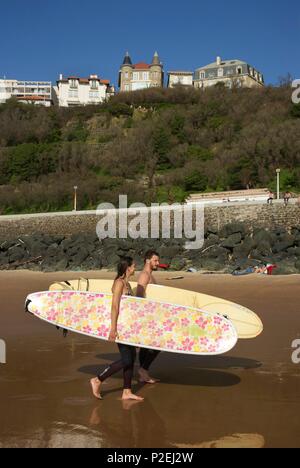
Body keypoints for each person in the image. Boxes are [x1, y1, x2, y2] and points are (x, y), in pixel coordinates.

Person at [90, 257, 144, 402]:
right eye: (133, 266)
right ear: (128, 268)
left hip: (128, 327)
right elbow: (114, 306)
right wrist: (113, 328)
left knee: (131, 358)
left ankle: (127, 391)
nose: (135, 268)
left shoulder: (127, 283)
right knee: (126, 359)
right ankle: (98, 379)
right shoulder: (119, 283)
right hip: (120, 326)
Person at [136, 250, 161, 385]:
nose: (158, 263)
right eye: (155, 260)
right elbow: (139, 297)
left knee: (146, 346)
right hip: (147, 316)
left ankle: (143, 374)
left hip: (152, 315)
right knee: (158, 343)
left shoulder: (150, 275)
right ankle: (143, 369)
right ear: (147, 260)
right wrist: (143, 317)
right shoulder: (145, 276)